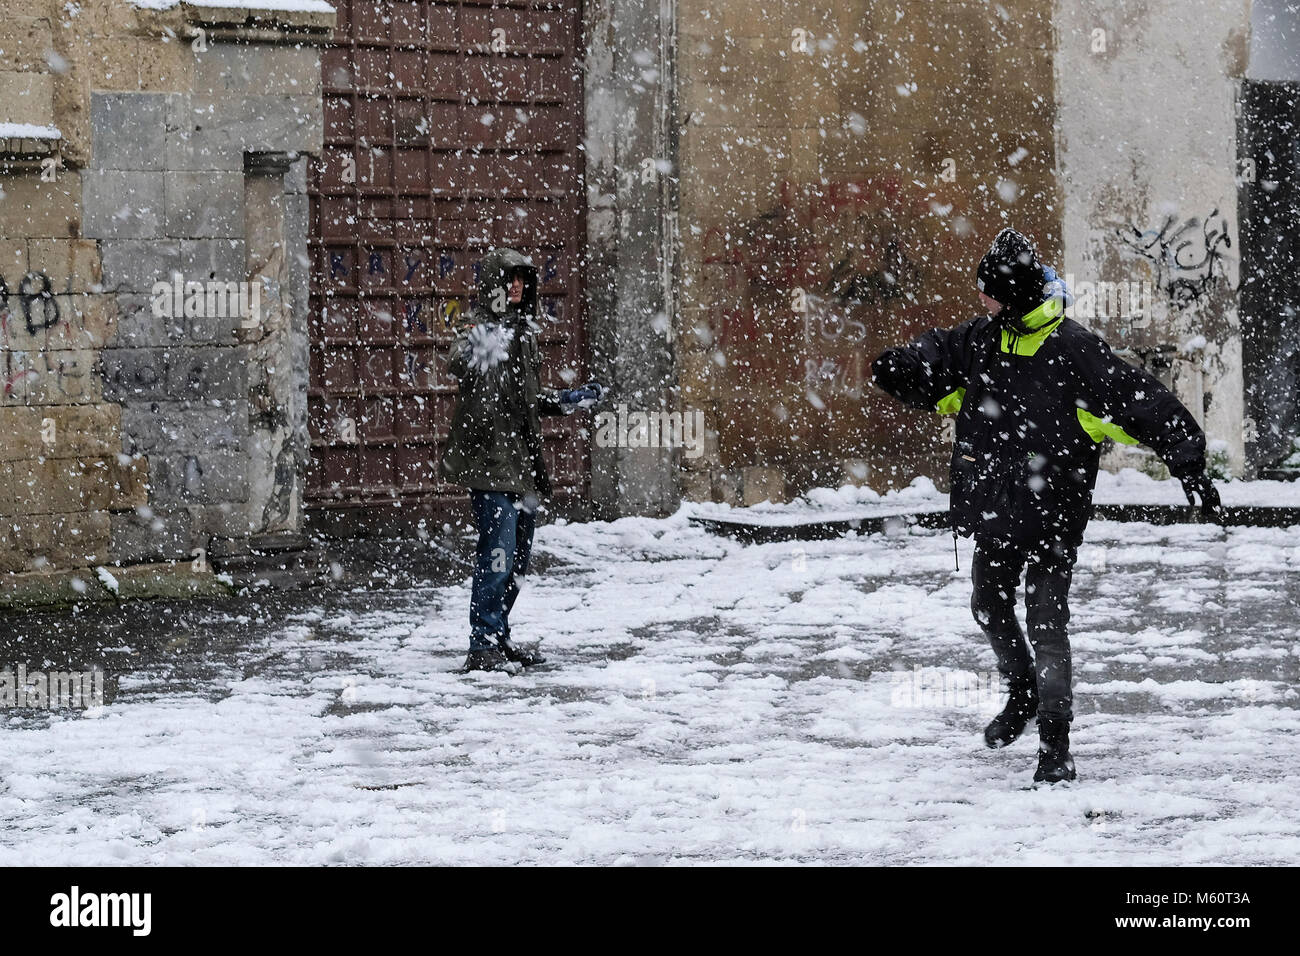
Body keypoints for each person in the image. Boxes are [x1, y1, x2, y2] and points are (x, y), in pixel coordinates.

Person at [870, 228, 1222, 784]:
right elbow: (932, 356)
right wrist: (898, 366)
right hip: (996, 510)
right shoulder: (983, 339)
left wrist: (1190, 464)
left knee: (1047, 625)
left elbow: (1145, 402)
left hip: (1054, 516)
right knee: (987, 604)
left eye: (988, 291)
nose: (980, 300)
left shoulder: (1074, 350)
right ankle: (1022, 696)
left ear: (1009, 295)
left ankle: (1055, 744)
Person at [441, 247, 604, 673]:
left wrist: (566, 401)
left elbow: (527, 400)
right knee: (496, 555)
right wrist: (491, 338)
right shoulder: (477, 323)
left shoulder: (524, 332)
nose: (516, 285)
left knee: (517, 561)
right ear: (494, 282)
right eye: (510, 278)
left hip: (522, 468)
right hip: (491, 464)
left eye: (522, 279)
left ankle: (499, 635)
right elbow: (457, 359)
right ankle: (481, 645)